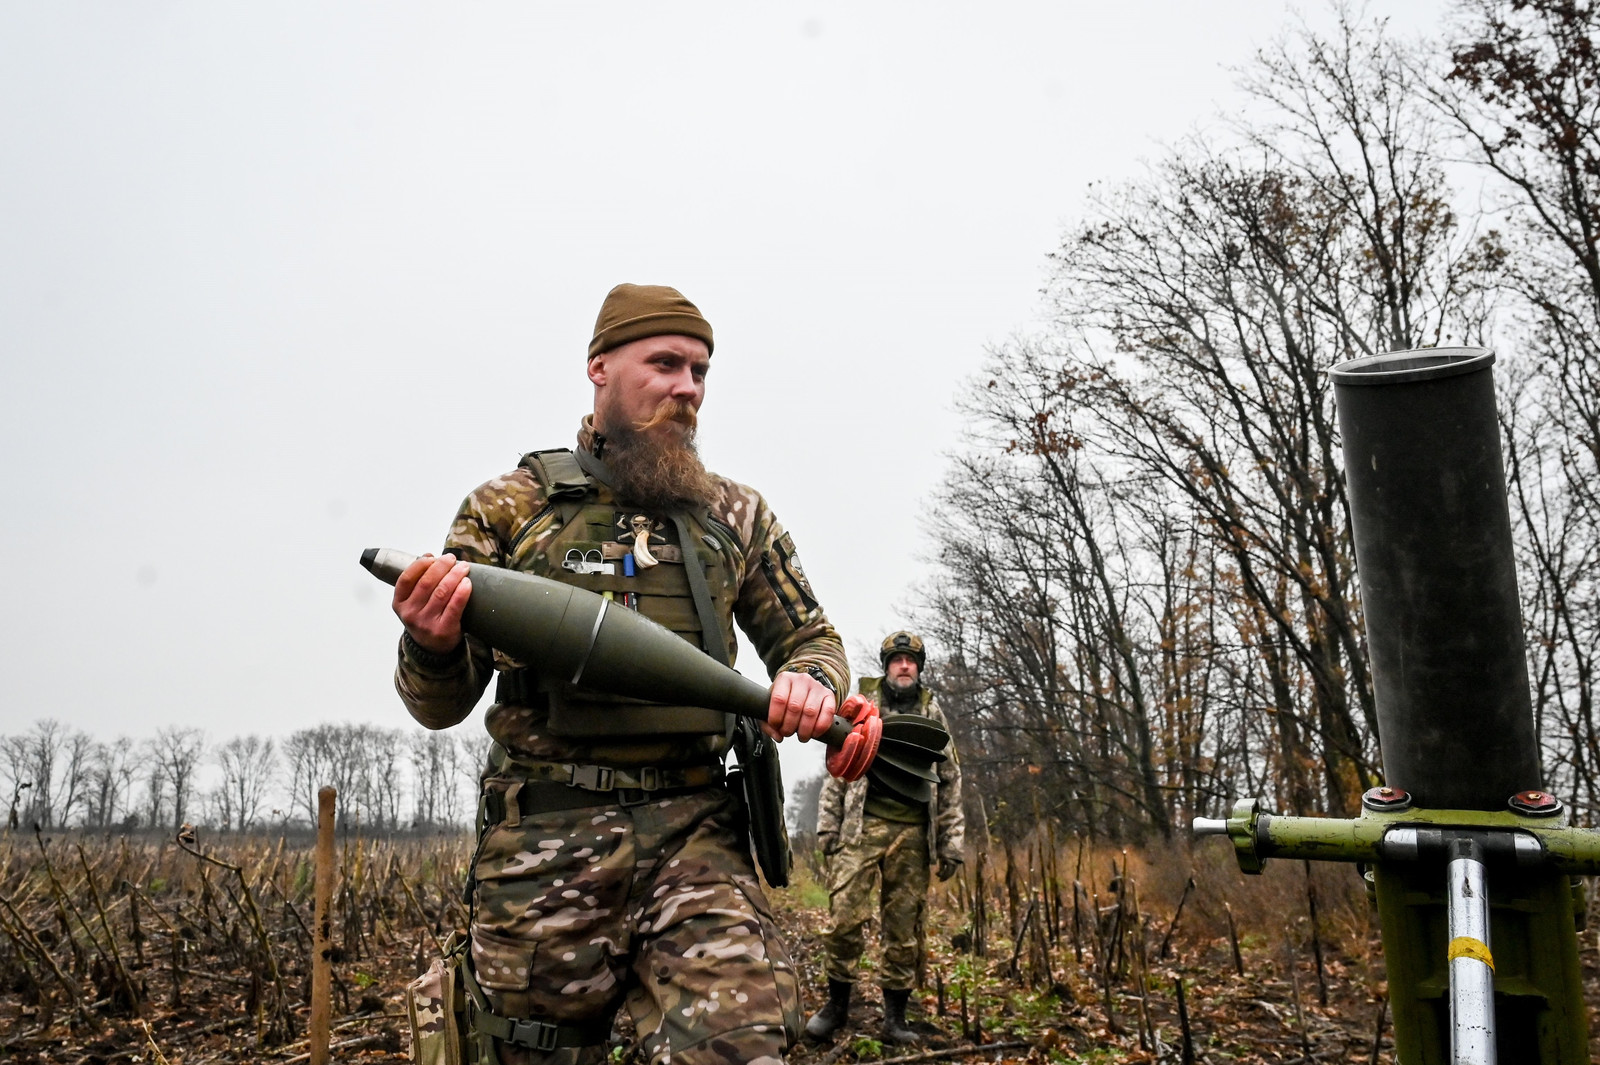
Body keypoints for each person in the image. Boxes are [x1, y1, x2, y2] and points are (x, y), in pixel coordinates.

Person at [389, 283, 877, 1065]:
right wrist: (433, 641)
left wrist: (813, 680)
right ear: (599, 368)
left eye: (700, 370)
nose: (687, 388)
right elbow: (437, 705)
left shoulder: (736, 515)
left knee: (741, 1045)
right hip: (544, 839)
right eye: (664, 363)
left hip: (698, 829)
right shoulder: (510, 508)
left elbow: (809, 636)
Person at [805, 631, 965, 1045]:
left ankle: (895, 1018)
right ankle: (836, 1006)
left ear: (920, 667)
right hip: (861, 828)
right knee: (843, 920)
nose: (904, 666)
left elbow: (949, 779)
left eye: (911, 660)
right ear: (886, 665)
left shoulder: (933, 713)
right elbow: (838, 766)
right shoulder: (863, 707)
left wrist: (951, 842)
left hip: (912, 833)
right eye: (897, 660)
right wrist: (828, 825)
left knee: (904, 929)